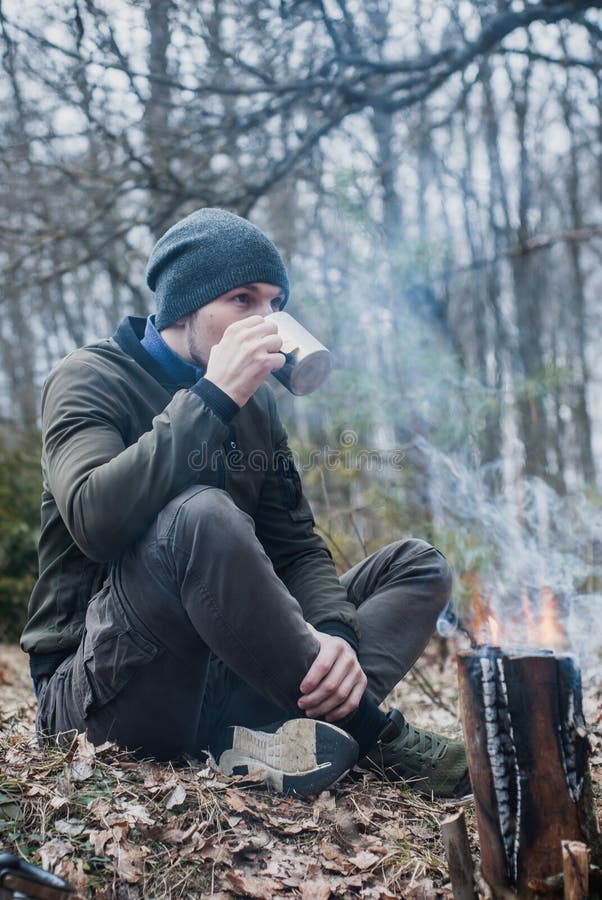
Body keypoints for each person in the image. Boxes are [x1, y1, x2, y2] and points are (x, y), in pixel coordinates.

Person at [21, 208, 468, 799]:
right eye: (243, 300)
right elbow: (95, 521)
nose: (267, 320)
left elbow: (296, 544)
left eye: (275, 302)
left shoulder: (255, 406)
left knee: (417, 566)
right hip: (100, 690)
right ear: (187, 304)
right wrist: (213, 397)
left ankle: (273, 739)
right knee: (200, 514)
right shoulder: (90, 378)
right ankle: (368, 732)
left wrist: (335, 634)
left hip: (224, 680)